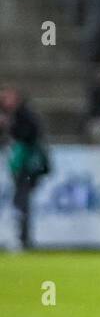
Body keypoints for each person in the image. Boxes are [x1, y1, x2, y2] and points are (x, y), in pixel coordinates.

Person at [0, 86, 51, 250]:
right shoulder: (12, 115)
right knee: (21, 200)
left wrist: (9, 126)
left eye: (8, 97)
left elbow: (29, 136)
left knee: (21, 199)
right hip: (18, 164)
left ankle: (21, 238)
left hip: (28, 165)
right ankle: (21, 237)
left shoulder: (25, 116)